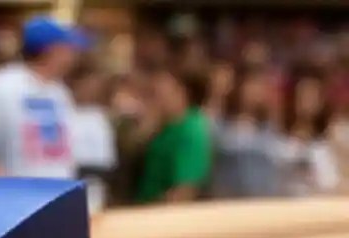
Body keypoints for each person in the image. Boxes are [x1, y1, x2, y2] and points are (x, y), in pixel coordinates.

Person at [0, 16, 88, 179]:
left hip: (58, 194)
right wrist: (6, 189)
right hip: (17, 198)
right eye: (68, 48)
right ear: (51, 50)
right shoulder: (1, 85)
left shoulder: (60, 92)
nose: (73, 56)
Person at [135, 69, 213, 204]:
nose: (154, 102)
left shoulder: (191, 130)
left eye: (159, 95)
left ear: (181, 93)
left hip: (160, 216)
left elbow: (185, 189)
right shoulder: (164, 127)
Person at [211, 69, 282, 199]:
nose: (253, 92)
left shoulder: (269, 127)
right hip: (228, 200)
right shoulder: (221, 124)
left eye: (258, 86)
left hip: (263, 201)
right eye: (249, 86)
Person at [274, 72, 339, 197]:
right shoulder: (278, 140)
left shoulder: (325, 144)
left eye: (313, 96)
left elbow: (332, 183)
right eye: (303, 96)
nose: (308, 102)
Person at [69, 66, 116, 212]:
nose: (92, 89)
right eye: (87, 83)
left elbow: (107, 164)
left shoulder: (100, 118)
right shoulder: (62, 111)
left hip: (94, 192)